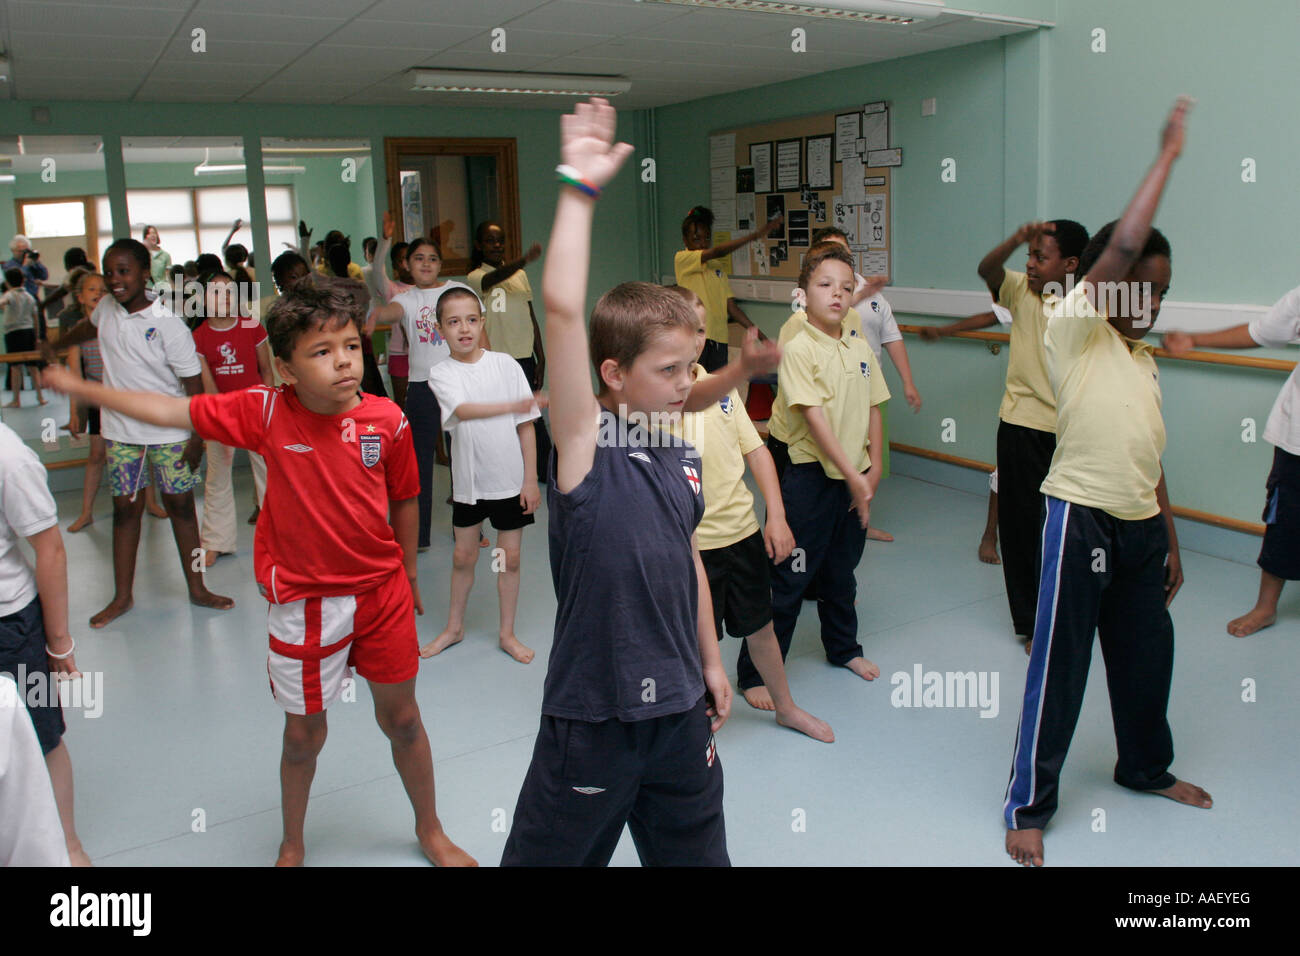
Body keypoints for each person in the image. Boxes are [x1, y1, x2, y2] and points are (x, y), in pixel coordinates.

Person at [43, 276, 476, 868]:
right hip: (304, 604)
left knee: (403, 720)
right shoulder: (265, 411)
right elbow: (171, 407)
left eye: (351, 345)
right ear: (285, 366)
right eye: (321, 352)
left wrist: (404, 574)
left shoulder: (388, 420)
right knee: (304, 736)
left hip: (381, 597)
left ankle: (430, 830)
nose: (343, 362)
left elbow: (405, 498)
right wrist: (81, 389)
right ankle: (292, 840)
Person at [501, 99, 733, 867]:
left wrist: (708, 659)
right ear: (614, 374)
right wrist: (580, 185)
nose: (683, 384)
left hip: (679, 717)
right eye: (666, 370)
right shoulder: (583, 447)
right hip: (593, 724)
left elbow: (685, 560)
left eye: (690, 368)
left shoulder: (681, 457)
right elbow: (563, 309)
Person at [1003, 97, 1212, 868]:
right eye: (1139, 285)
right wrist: (1167, 157)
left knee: (1145, 655)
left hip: (1137, 529)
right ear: (1103, 283)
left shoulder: (1143, 363)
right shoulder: (1074, 328)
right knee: (1061, 665)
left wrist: (1170, 539)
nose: (1150, 303)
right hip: (1079, 519)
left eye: (1163, 290)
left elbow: (1149, 457)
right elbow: (1123, 242)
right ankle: (1028, 804)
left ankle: (1144, 767)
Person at [668, 285, 833, 741]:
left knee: (761, 628)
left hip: (740, 534)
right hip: (691, 547)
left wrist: (775, 516)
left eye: (700, 329)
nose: (695, 339)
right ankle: (693, 721)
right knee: (692, 641)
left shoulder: (723, 392)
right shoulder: (658, 400)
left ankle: (785, 707)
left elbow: (758, 453)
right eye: (683, 329)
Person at [41, 239, 234, 628]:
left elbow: (194, 387)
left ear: (145, 273)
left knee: (180, 508)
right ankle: (122, 597)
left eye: (124, 271)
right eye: (109, 272)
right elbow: (84, 328)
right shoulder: (108, 310)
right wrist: (55, 345)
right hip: (121, 432)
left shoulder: (168, 324)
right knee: (125, 512)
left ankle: (198, 589)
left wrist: (197, 439)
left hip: (170, 433)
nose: (115, 280)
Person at [924, 218, 1089, 651]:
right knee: (1020, 530)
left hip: (1071, 430)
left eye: (1041, 257)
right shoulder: (1019, 289)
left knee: (1070, 528)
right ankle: (1033, 624)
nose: (1031, 265)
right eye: (1029, 256)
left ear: (1071, 264)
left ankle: (1070, 611)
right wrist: (1017, 239)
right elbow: (987, 269)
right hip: (1019, 426)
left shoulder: (1088, 304)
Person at [738, 241, 889, 708]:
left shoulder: (858, 341)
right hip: (812, 476)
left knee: (841, 572)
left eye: (847, 287)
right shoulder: (800, 345)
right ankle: (756, 673)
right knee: (789, 575)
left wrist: (874, 466)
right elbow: (815, 417)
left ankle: (844, 648)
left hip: (854, 475)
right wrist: (852, 475)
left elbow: (874, 405)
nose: (837, 295)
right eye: (825, 285)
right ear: (803, 292)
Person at [1164, 286, 1300, 637]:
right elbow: (1259, 332)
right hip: (1296, 438)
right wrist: (1194, 339)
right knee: (1283, 522)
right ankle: (1265, 607)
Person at [421, 288, 541, 663]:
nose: (464, 329)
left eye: (471, 320)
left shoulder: (505, 365)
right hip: (470, 485)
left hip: (510, 482)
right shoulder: (440, 373)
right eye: (453, 322)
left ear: (482, 322)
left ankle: (507, 633)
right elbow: (467, 410)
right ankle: (454, 627)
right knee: (463, 556)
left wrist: (530, 479)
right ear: (440, 328)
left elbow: (526, 426)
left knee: (509, 558)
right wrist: (516, 403)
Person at [0, 420, 91, 865]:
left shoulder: (9, 457)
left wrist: (58, 645)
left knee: (42, 736)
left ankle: (67, 842)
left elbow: (50, 548)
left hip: (10, 624)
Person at [369, 236, 475, 550]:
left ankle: (468, 528)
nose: (426, 263)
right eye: (419, 258)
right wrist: (375, 315)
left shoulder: (457, 291)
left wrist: (485, 373)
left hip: (458, 384)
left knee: (464, 458)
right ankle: (419, 534)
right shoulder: (407, 298)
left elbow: (479, 334)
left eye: (432, 258)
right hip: (421, 387)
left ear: (440, 264)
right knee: (419, 462)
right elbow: (390, 312)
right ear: (407, 265)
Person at [190, 270, 273, 566]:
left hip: (255, 409)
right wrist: (220, 418)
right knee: (217, 478)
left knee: (269, 472)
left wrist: (268, 407)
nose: (223, 297)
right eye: (215, 292)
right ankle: (215, 542)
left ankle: (279, 534)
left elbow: (266, 370)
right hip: (221, 413)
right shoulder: (198, 337)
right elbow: (208, 382)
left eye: (228, 291)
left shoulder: (252, 325)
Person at [466, 221, 553, 484]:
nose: (497, 245)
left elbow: (530, 316)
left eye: (500, 240)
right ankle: (505, 474)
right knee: (503, 419)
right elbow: (493, 279)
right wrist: (524, 259)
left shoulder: (520, 276)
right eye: (491, 241)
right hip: (497, 357)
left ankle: (546, 470)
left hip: (524, 355)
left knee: (532, 415)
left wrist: (540, 355)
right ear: (479, 245)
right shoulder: (475, 276)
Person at [675, 206, 781, 371]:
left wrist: (762, 338)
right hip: (694, 339)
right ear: (685, 240)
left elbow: (731, 308)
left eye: (706, 238)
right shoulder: (682, 259)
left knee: (717, 393)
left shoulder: (716, 267)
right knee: (695, 389)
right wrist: (755, 235)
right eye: (696, 239)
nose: (703, 243)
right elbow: (717, 251)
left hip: (719, 341)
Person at [63, 270, 110, 533]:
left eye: (103, 290)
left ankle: (149, 502)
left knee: (137, 451)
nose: (98, 294)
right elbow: (76, 377)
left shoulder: (117, 325)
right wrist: (75, 414)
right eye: (92, 289)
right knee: (96, 455)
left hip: (122, 397)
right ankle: (86, 512)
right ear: (81, 297)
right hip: (96, 398)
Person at [2, 266, 45, 407]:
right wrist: (37, 337)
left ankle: (16, 399)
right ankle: (40, 397)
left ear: (7, 282)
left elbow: (3, 302)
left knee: (15, 367)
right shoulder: (29, 296)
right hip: (29, 332)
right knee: (33, 367)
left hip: (13, 333)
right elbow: (36, 318)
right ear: (23, 280)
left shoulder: (9, 295)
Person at [4, 235, 49, 303]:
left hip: (33, 297)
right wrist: (25, 265)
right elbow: (16, 279)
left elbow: (44, 276)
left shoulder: (31, 262)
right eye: (20, 251)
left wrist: (37, 262)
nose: (23, 254)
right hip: (18, 300)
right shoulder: (9, 265)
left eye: (26, 251)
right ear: (13, 251)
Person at [141, 226, 172, 292]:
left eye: (154, 233)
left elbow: (168, 276)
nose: (153, 235)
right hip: (147, 290)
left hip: (162, 290)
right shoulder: (143, 254)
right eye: (149, 233)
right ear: (145, 237)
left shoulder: (165, 255)